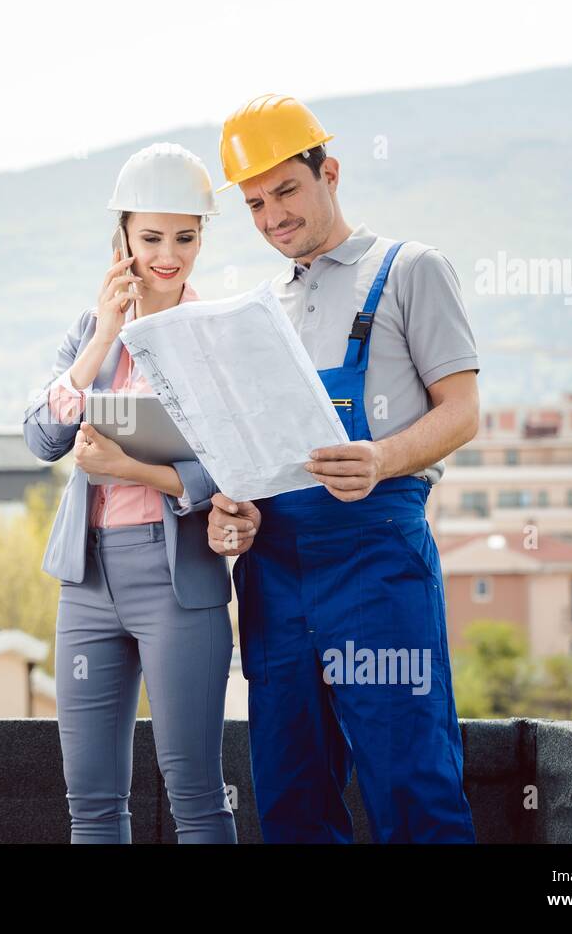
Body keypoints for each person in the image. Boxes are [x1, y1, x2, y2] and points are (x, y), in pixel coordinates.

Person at [207, 94, 480, 843]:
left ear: (329, 172)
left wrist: (382, 458)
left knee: (411, 783)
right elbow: (254, 450)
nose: (272, 218)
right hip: (273, 573)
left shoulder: (409, 270)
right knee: (292, 798)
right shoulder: (261, 311)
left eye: (286, 191)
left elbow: (462, 410)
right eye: (255, 203)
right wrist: (237, 507)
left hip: (375, 562)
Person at [22, 143, 237, 843]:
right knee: (90, 798)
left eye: (185, 237)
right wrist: (103, 338)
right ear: (121, 239)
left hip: (177, 579)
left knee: (197, 793)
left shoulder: (216, 337)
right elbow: (41, 437)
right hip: (87, 579)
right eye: (150, 238)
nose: (168, 255)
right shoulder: (90, 332)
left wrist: (131, 470)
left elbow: (233, 468)